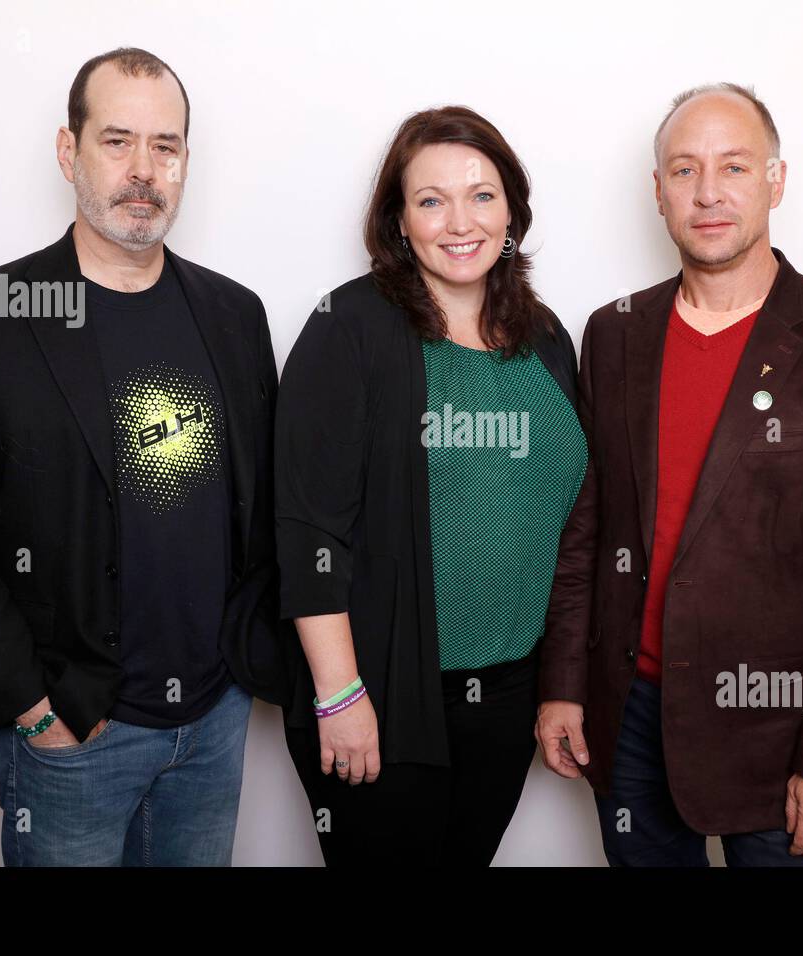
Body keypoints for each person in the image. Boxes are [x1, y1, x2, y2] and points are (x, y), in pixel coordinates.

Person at [0, 47, 288, 866]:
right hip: (75, 735)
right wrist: (33, 709)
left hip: (214, 726)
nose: (144, 170)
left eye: (166, 146)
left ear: (187, 160)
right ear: (69, 152)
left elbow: (264, 509)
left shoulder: (235, 315)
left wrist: (245, 667)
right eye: (117, 142)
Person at [535, 83, 803, 866]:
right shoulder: (612, 335)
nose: (708, 192)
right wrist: (565, 682)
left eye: (735, 167)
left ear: (776, 181)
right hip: (629, 720)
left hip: (777, 734)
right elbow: (587, 524)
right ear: (656, 193)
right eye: (683, 171)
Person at [275, 106, 587, 866]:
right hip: (382, 693)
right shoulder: (347, 328)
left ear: (511, 210)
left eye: (482, 195)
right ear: (399, 221)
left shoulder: (546, 338)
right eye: (431, 199)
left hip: (509, 697)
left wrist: (559, 684)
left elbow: (569, 516)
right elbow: (306, 528)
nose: (460, 221)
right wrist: (340, 696)